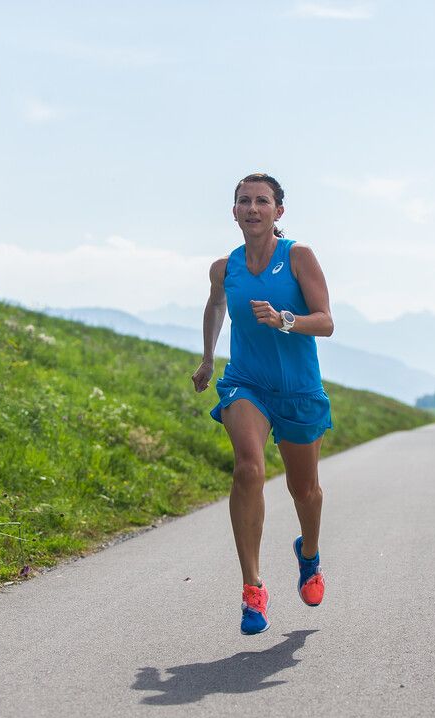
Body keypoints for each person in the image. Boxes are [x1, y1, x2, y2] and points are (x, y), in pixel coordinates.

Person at [191, 173, 335, 635]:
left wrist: (284, 319)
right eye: (244, 201)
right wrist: (208, 358)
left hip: (297, 388)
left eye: (262, 201)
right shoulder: (224, 267)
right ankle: (252, 589)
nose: (253, 208)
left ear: (278, 211)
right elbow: (216, 306)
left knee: (304, 491)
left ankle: (308, 556)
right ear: (234, 211)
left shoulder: (298, 256)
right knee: (248, 469)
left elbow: (326, 322)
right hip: (246, 382)